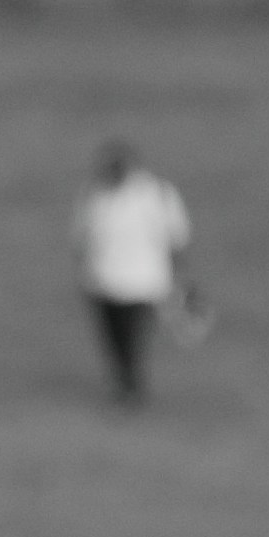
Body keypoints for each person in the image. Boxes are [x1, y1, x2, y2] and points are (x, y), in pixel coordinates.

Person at [78, 137, 197, 407]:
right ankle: (124, 384)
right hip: (103, 282)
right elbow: (82, 239)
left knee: (133, 339)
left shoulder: (157, 195)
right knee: (114, 339)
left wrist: (181, 280)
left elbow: (176, 239)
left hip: (143, 283)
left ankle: (131, 389)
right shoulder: (94, 196)